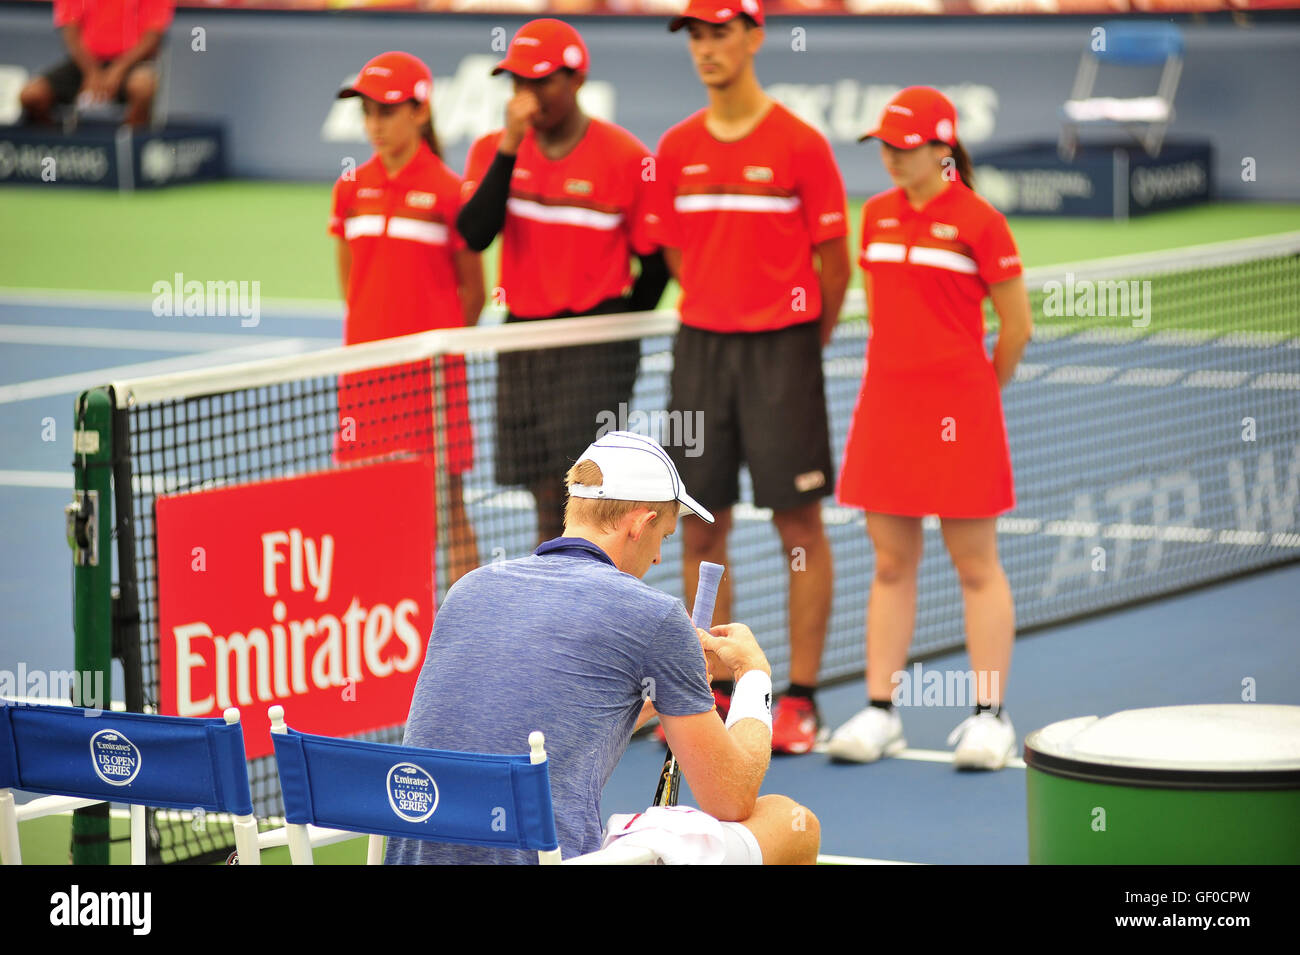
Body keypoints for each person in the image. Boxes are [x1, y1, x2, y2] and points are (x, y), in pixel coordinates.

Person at [385, 431, 821, 865]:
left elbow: (528, 728)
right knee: (792, 821)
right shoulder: (655, 616)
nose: (657, 560)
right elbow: (732, 798)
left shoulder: (469, 589)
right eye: (664, 537)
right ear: (639, 523)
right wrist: (753, 676)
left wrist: (647, 706)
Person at [650, 0, 851, 754]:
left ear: (755, 36)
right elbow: (677, 254)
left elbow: (836, 266)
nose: (705, 48)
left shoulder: (801, 144)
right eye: (695, 36)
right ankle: (715, 689)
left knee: (798, 523)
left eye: (719, 32)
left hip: (782, 353)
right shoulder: (674, 148)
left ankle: (798, 694)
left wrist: (798, 341)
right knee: (700, 521)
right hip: (700, 351)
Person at [827, 86, 1033, 770]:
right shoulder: (876, 215)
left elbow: (1017, 326)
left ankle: (989, 716)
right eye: (884, 144)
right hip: (886, 408)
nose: (890, 156)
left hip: (960, 412)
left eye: (904, 145)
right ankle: (881, 710)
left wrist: (976, 394)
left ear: (943, 149)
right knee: (889, 562)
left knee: (976, 565)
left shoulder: (982, 221)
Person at [456, 18, 669, 545]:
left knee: (583, 490)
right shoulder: (493, 150)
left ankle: (583, 594)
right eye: (518, 83)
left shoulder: (625, 157)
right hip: (523, 335)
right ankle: (554, 590)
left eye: (541, 81)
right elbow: (474, 233)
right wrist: (509, 145)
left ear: (575, 80)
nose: (528, 96)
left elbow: (656, 263)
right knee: (538, 484)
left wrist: (614, 332)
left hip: (590, 341)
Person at [329, 51, 484, 585]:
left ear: (419, 112)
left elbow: (474, 293)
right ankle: (384, 621)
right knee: (367, 507)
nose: (374, 125)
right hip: (365, 379)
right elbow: (352, 282)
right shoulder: (350, 189)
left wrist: (429, 346)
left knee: (447, 509)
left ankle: (468, 627)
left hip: (430, 382)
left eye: (386, 112)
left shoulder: (450, 191)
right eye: (367, 112)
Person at [19, 0, 174, 129]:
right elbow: (69, 30)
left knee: (142, 87)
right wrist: (91, 72)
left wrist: (117, 70)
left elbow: (153, 35)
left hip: (131, 63)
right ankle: (60, 150)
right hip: (84, 63)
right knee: (32, 95)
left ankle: (128, 148)